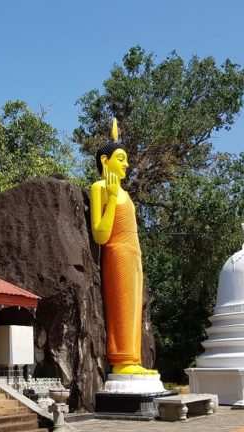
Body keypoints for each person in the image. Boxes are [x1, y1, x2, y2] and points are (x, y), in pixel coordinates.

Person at [90, 118, 157, 375]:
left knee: (134, 309)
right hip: (116, 253)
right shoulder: (98, 188)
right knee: (121, 305)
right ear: (106, 162)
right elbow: (100, 235)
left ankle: (133, 359)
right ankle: (121, 360)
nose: (126, 163)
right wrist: (108, 197)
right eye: (121, 158)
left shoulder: (126, 195)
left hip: (134, 255)